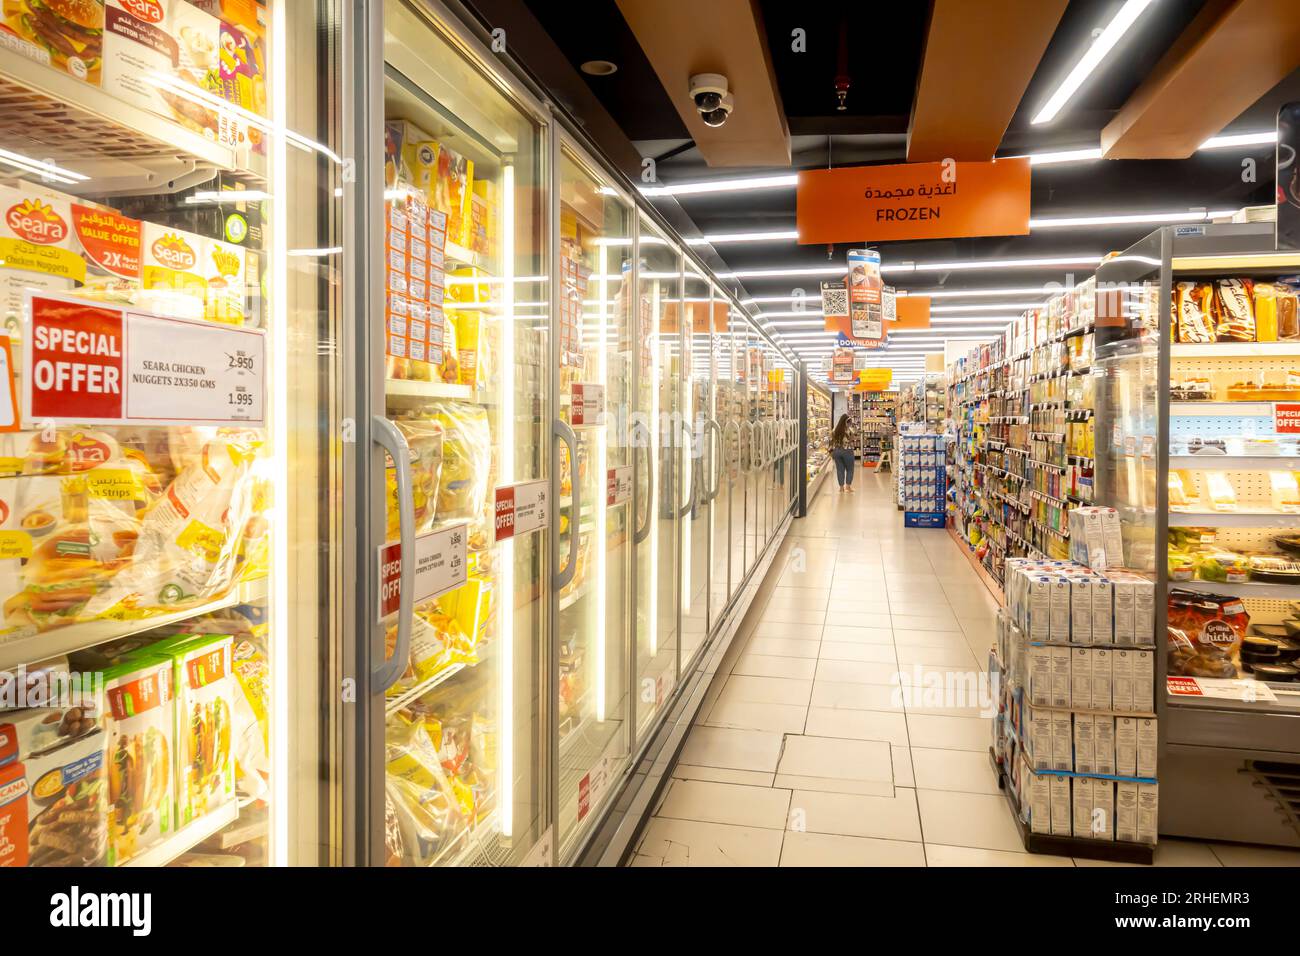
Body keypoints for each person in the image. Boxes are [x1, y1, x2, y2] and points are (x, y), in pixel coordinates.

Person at [829, 413, 855, 493]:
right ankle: (848, 487)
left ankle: (841, 488)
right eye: (849, 422)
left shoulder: (834, 430)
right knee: (850, 469)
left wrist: (831, 452)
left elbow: (831, 441)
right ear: (847, 422)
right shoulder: (849, 430)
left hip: (837, 451)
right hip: (847, 451)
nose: (850, 424)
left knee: (840, 470)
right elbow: (851, 440)